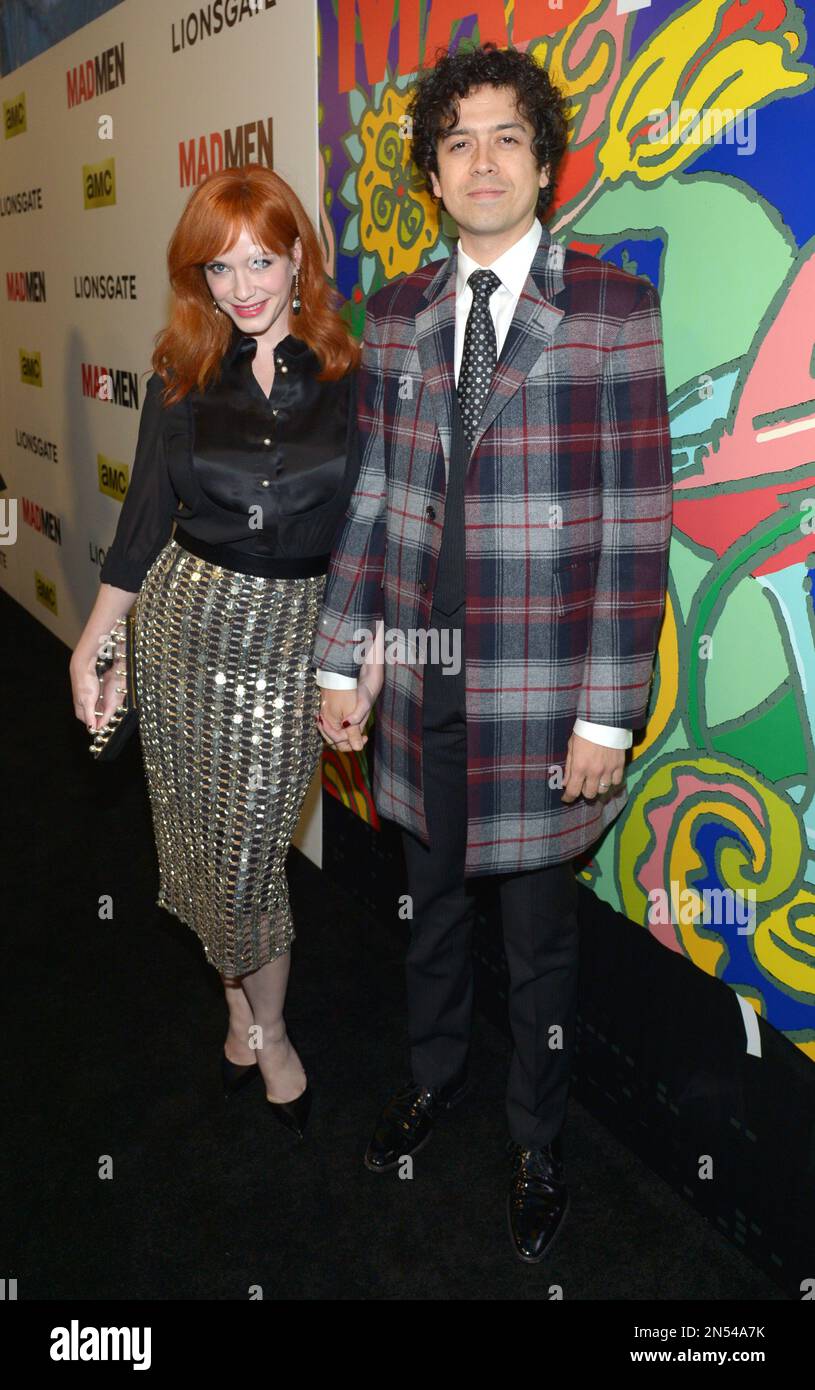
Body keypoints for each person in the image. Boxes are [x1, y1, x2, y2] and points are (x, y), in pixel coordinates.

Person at [314, 45, 673, 1258]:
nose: (481, 161)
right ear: (430, 171)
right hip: (418, 676)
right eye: (456, 140)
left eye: (505, 136)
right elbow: (372, 497)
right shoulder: (394, 312)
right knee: (426, 911)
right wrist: (339, 661)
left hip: (544, 696)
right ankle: (432, 1076)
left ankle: (536, 1138)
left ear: (543, 160)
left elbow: (634, 526)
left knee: (536, 942)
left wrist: (606, 715)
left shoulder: (611, 310)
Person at [70, 164, 361, 1138]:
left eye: (261, 262)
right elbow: (142, 523)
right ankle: (247, 1018)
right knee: (199, 850)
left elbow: (369, 536)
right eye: (220, 267)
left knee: (246, 865)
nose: (242, 287)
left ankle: (263, 1025)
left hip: (292, 638)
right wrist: (94, 640)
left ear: (297, 258)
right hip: (182, 630)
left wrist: (358, 662)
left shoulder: (353, 379)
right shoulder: (180, 374)